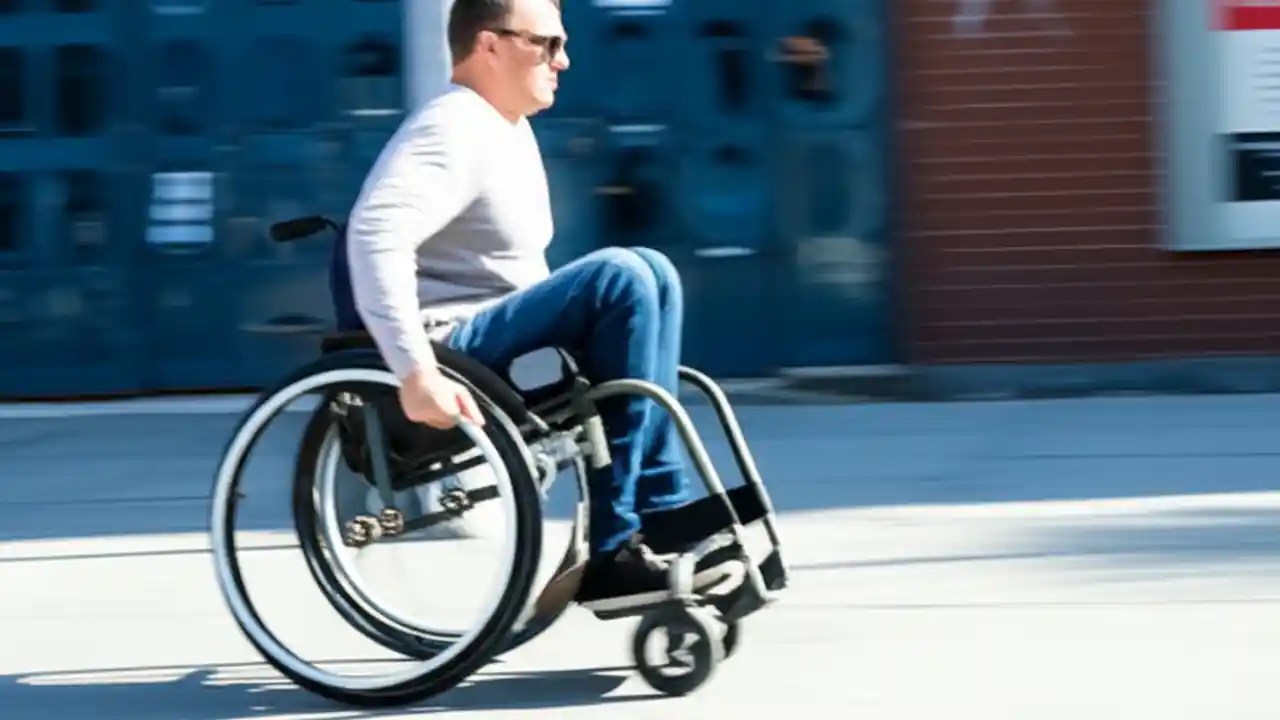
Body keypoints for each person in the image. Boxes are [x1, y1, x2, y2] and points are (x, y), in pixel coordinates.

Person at [343, 0, 741, 613]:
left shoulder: (505, 128)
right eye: (548, 44)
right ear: (489, 45)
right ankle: (616, 545)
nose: (564, 60)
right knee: (621, 276)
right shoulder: (451, 126)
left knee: (653, 271)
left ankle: (663, 517)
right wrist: (415, 370)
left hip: (499, 337)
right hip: (452, 347)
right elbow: (374, 234)